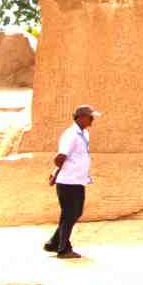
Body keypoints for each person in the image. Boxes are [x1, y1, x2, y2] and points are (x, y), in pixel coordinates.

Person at [45, 104, 100, 259]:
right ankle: (63, 249)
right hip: (68, 181)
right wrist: (56, 172)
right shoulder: (71, 135)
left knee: (73, 213)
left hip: (78, 180)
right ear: (81, 118)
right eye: (90, 116)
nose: (92, 119)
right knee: (70, 213)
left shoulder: (84, 133)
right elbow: (61, 157)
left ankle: (53, 243)